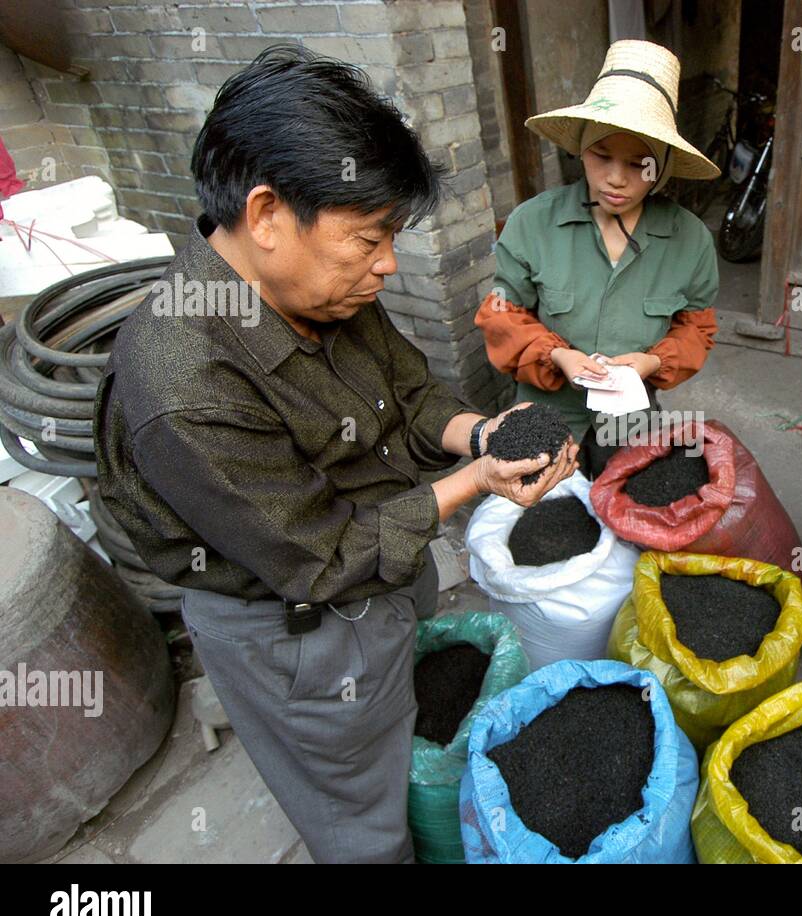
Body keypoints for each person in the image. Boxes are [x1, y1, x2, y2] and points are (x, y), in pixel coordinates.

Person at [94, 46, 577, 863]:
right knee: (358, 812)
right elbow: (318, 558)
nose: (388, 263)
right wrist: (474, 482)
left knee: (408, 704)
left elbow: (413, 390)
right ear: (268, 215)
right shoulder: (182, 378)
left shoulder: (317, 288)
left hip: (384, 555)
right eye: (369, 238)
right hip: (296, 624)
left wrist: (483, 435)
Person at [475, 39, 721, 476]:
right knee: (539, 520)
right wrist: (556, 356)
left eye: (638, 164)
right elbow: (500, 314)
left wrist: (654, 362)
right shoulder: (531, 223)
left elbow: (697, 328)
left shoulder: (691, 241)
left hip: (630, 424)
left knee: (628, 525)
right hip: (546, 416)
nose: (614, 179)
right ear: (581, 149)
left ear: (662, 167)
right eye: (601, 156)